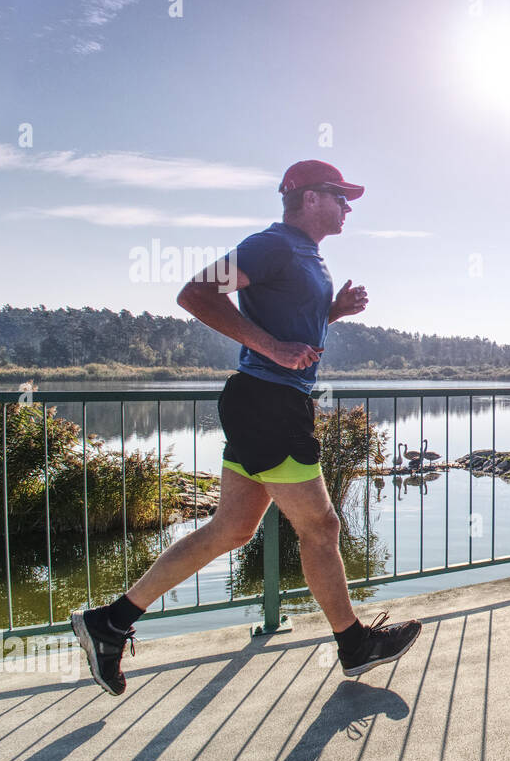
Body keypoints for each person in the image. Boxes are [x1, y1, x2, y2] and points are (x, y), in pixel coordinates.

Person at [71, 160, 421, 695]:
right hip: (270, 404)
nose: (348, 207)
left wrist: (333, 313)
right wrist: (274, 349)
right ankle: (354, 645)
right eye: (339, 196)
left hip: (268, 401)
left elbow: (288, 321)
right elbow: (195, 293)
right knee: (321, 527)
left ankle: (109, 622)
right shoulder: (273, 245)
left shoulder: (306, 256)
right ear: (307, 197)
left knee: (231, 530)